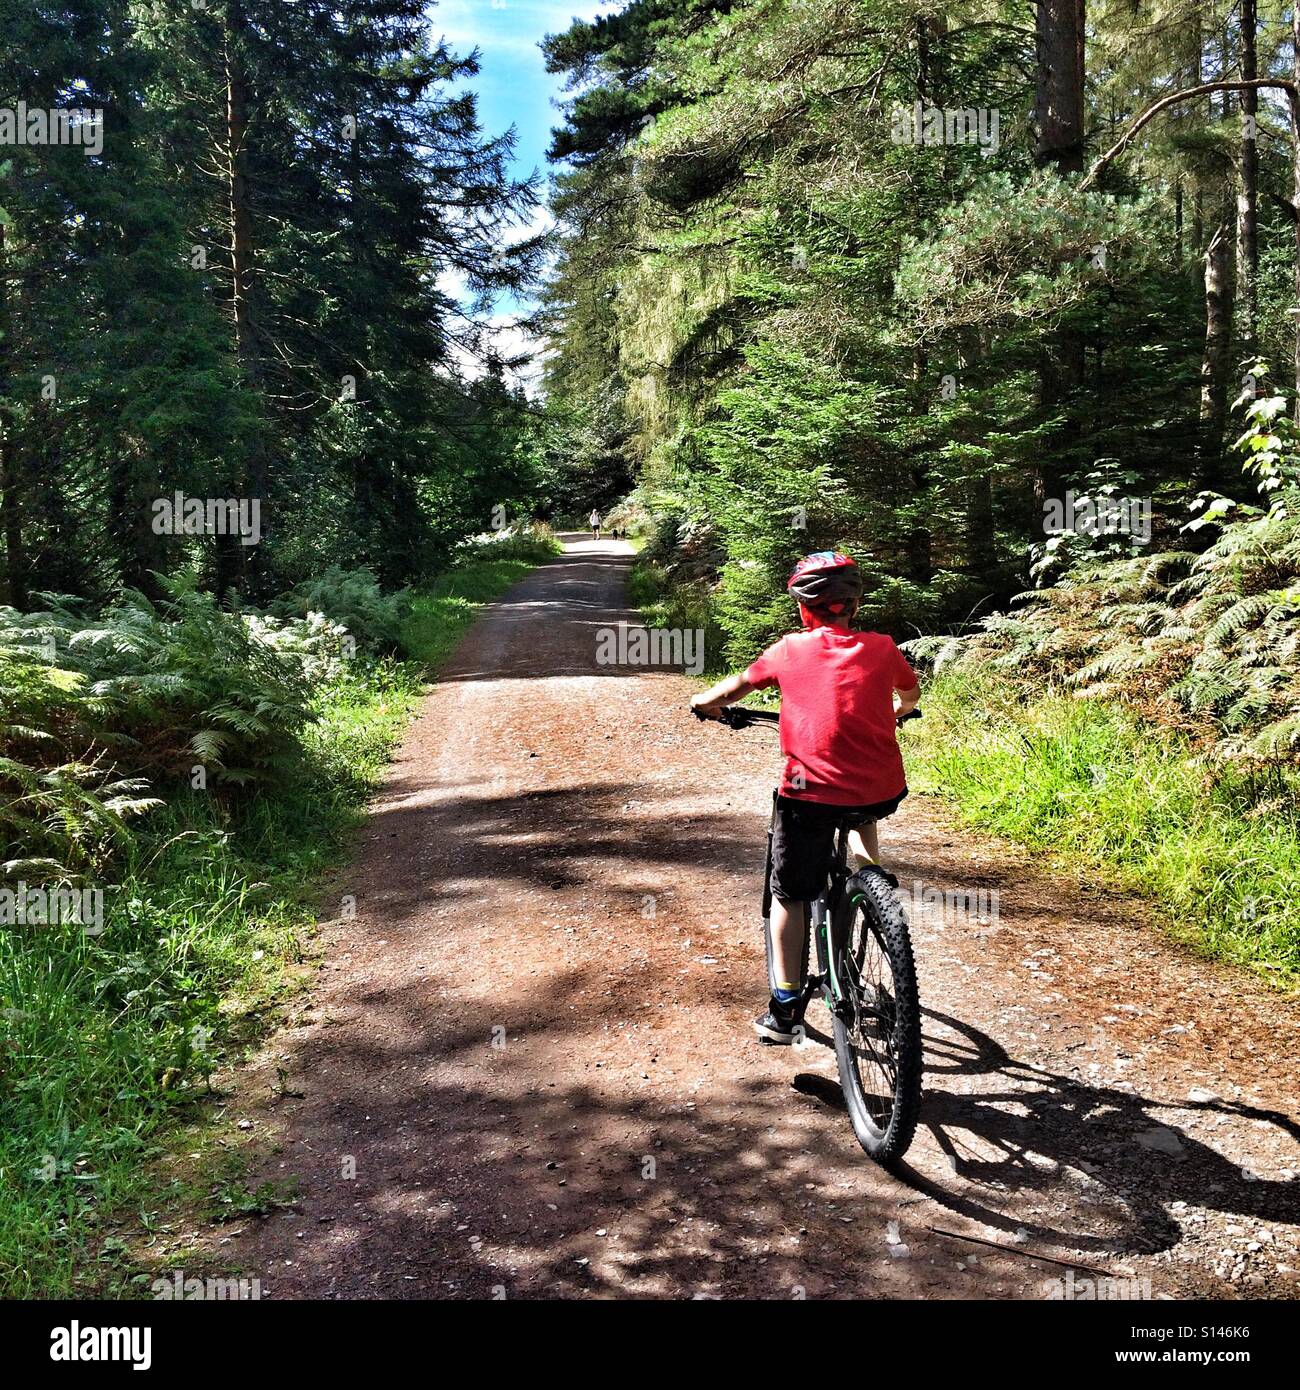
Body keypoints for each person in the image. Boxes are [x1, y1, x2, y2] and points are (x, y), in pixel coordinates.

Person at [690, 551, 921, 1043]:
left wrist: (704, 704)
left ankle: (787, 1007)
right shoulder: (882, 647)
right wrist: (899, 710)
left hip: (808, 795)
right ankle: (871, 891)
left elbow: (734, 689)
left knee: (789, 895)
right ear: (854, 605)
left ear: (804, 608)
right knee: (861, 809)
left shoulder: (790, 650)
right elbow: (910, 693)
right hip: (879, 787)